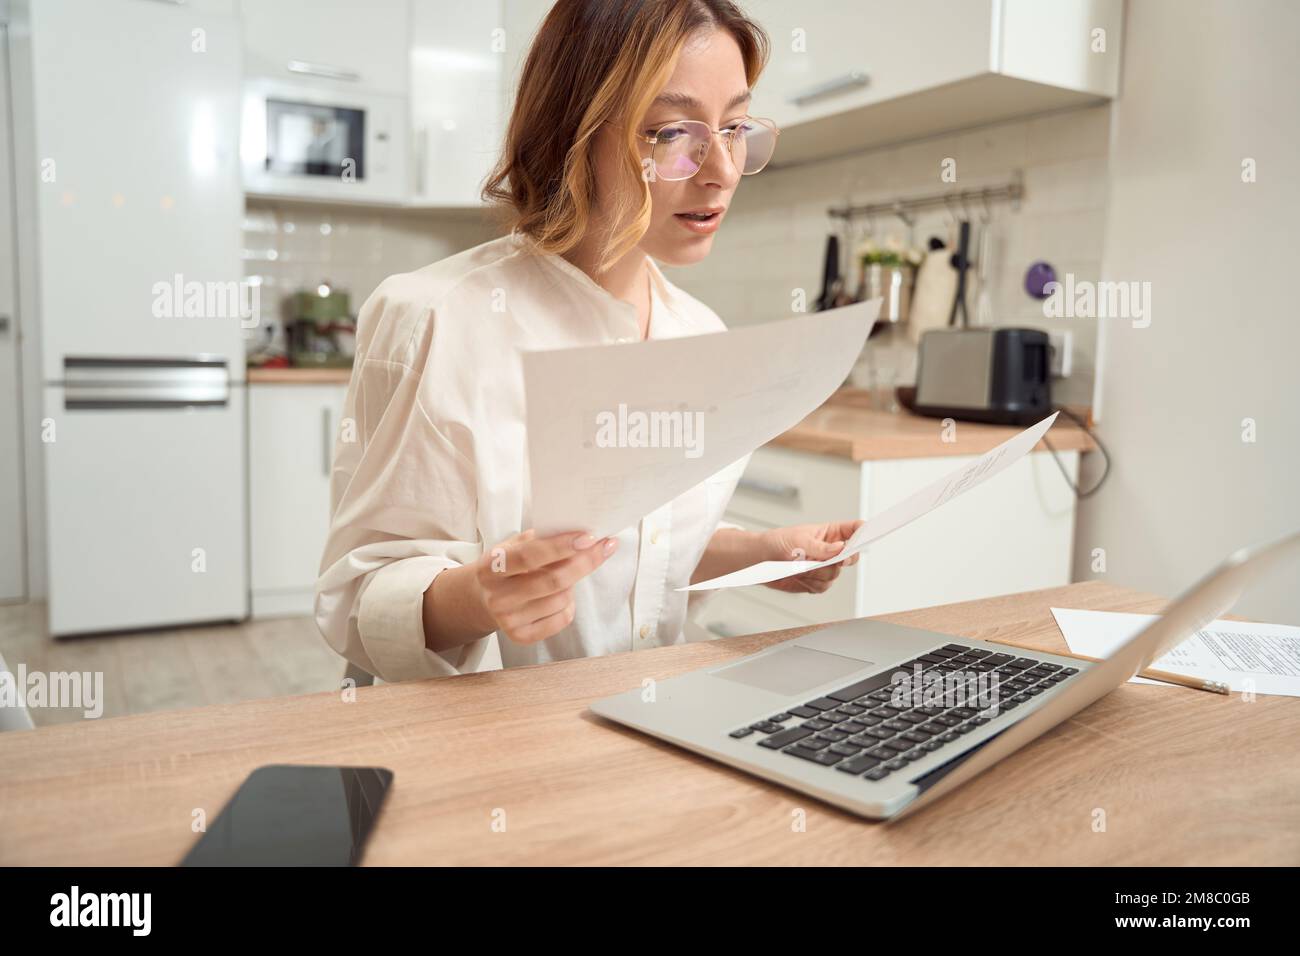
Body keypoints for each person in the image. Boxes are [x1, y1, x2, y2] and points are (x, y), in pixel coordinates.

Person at [316, 0, 862, 682]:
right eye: (670, 133)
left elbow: (637, 554)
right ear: (570, 131)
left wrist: (758, 551)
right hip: (479, 750)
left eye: (734, 127)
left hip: (649, 727)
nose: (720, 169)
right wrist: (481, 596)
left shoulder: (698, 333)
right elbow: (356, 607)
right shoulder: (437, 316)